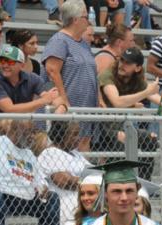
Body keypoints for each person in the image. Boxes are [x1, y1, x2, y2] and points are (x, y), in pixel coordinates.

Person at [44, 1, 97, 145]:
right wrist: (63, 99)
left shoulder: (83, 43)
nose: (89, 20)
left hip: (86, 106)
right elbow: (52, 70)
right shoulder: (59, 40)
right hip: (69, 106)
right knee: (64, 144)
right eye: (86, 17)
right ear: (75, 19)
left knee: (84, 143)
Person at [38, 120, 91, 224]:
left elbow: (96, 172)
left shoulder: (76, 154)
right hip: (67, 211)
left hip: (85, 206)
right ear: (61, 135)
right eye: (74, 134)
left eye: (79, 134)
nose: (79, 138)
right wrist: (94, 182)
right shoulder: (50, 153)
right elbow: (65, 182)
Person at [0, 45, 60, 115]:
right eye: (2, 61)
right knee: (11, 121)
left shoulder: (32, 78)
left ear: (22, 65)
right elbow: (9, 109)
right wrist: (42, 101)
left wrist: (58, 103)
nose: (5, 65)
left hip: (22, 125)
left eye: (11, 62)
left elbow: (49, 95)